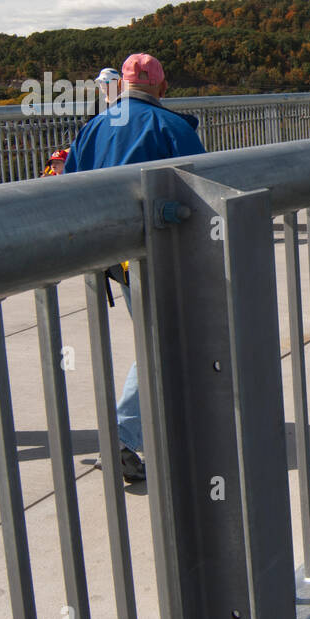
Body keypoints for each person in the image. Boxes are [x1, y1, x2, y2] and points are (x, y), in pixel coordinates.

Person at [63, 53, 206, 482]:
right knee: (162, 341)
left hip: (115, 256)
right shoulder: (174, 127)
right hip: (159, 251)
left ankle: (154, 425)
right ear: (162, 89)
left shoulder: (93, 127)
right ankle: (123, 436)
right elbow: (202, 193)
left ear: (122, 86)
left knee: (160, 338)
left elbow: (71, 184)